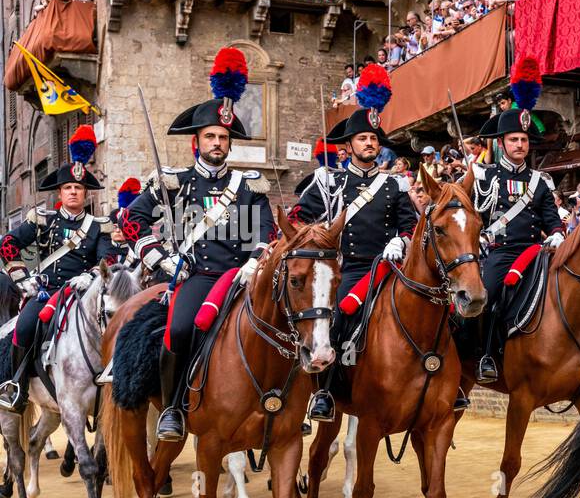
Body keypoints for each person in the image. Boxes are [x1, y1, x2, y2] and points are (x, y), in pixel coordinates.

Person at [118, 48, 275, 441]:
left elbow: (267, 230)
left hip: (242, 277)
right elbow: (132, 220)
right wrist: (161, 259)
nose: (218, 143)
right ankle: (172, 408)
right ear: (198, 140)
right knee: (180, 329)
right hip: (197, 277)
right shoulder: (174, 182)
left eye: (223, 137)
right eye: (211, 136)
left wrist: (256, 259)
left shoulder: (249, 185)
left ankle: (282, 401)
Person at [291, 63, 417, 422]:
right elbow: (299, 219)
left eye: (374, 139)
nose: (370, 144)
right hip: (346, 268)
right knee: (340, 314)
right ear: (348, 146)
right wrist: (319, 242)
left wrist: (400, 242)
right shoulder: (329, 182)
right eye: (363, 139)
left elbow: (410, 226)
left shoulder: (394, 185)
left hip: (389, 267)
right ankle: (326, 392)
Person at [0, 127, 115, 412]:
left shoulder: (99, 226)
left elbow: (109, 259)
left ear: (85, 192)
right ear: (60, 193)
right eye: (68, 188)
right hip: (46, 292)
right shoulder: (43, 220)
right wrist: (23, 279)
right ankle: (17, 386)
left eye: (78, 188)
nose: (73, 192)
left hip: (83, 294)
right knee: (25, 327)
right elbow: (7, 245)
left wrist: (89, 276)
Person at [468, 74, 564, 383]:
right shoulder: (486, 177)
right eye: (514, 140)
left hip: (535, 253)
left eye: (523, 140)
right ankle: (485, 354)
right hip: (502, 252)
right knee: (488, 295)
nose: (520, 144)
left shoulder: (540, 181)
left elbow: (550, 218)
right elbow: (472, 216)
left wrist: (559, 232)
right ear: (501, 143)